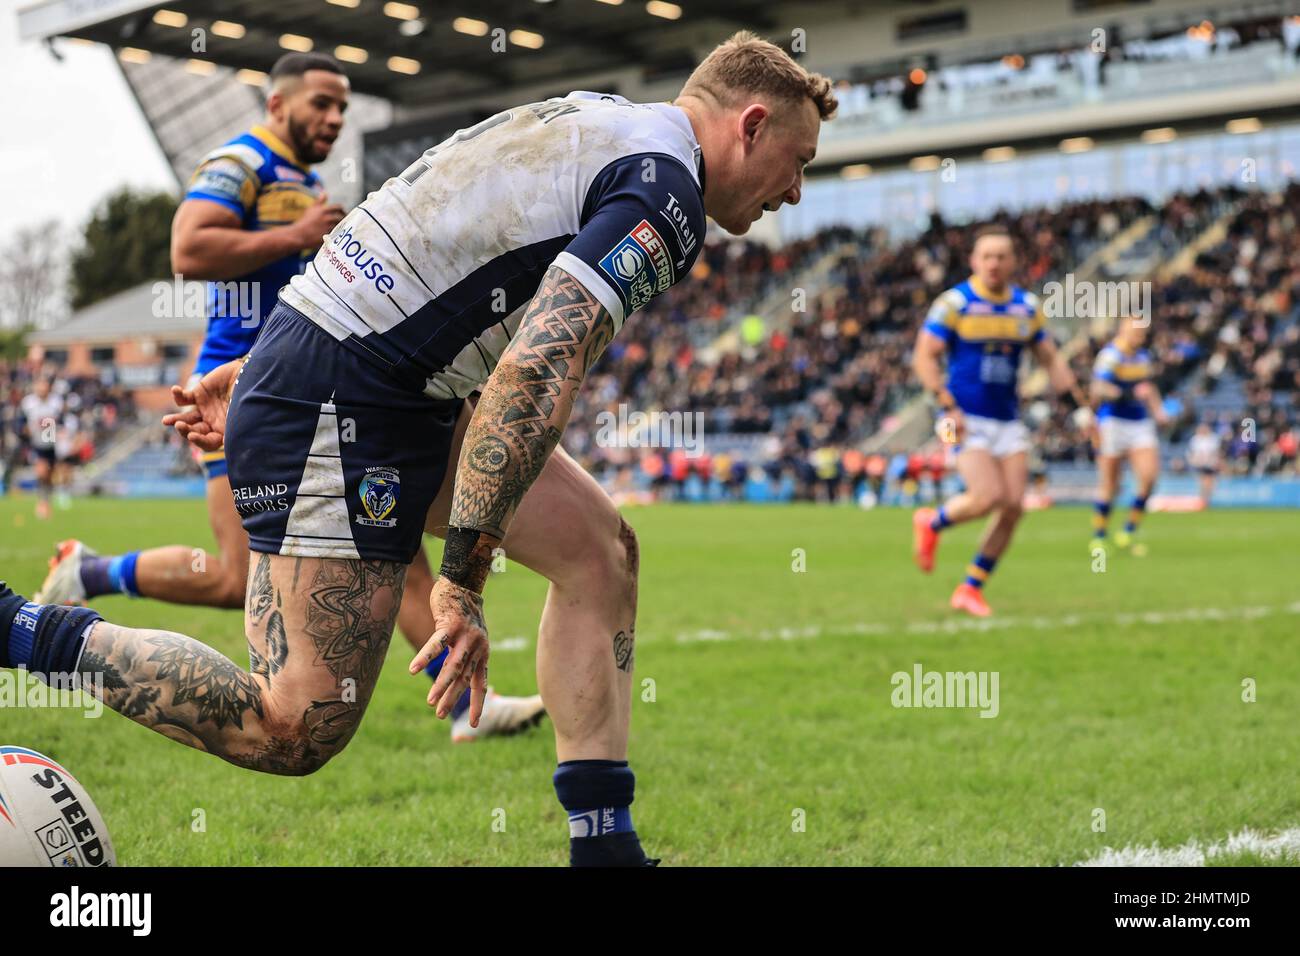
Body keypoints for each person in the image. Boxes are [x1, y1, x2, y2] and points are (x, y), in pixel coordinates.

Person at [2, 31, 835, 866]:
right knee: (291, 725)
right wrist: (463, 580)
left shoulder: (603, 122)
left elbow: (413, 222)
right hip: (342, 396)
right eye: (796, 162)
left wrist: (265, 358)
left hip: (372, 376)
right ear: (750, 124)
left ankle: (605, 851)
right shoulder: (667, 191)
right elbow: (536, 371)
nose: (794, 193)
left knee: (599, 552)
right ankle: (16, 626)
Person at [32, 52, 543, 741]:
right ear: (277, 105)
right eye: (321, 104)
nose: (335, 118)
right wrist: (297, 237)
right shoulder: (243, 163)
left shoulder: (303, 179)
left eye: (342, 107)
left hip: (322, 389)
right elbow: (188, 248)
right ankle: (87, 573)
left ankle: (462, 708)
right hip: (248, 392)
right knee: (228, 576)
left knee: (394, 552)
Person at [910, 225, 1090, 617]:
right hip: (959, 417)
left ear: (1013, 262)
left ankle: (970, 588)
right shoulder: (954, 303)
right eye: (986, 256)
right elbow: (925, 355)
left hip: (1008, 419)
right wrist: (945, 402)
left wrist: (1080, 407)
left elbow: (1051, 360)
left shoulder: (1025, 307)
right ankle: (931, 521)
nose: (993, 263)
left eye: (1001, 256)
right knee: (986, 496)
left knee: (1013, 507)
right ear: (974, 261)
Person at [1089, 317, 1167, 555]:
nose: (1141, 336)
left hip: (1139, 423)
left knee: (1149, 477)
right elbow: (1098, 388)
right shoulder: (1111, 355)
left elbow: (1148, 387)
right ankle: (1100, 536)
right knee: (1110, 483)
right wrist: (1126, 395)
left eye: (1143, 333)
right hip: (1112, 422)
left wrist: (1158, 411)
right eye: (1136, 331)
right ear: (1124, 330)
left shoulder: (1143, 357)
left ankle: (1128, 531)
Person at [20, 378, 62, 520]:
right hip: (36, 444)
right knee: (41, 472)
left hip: (50, 444)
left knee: (49, 476)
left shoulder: (56, 402)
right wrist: (25, 430)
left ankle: (46, 501)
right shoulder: (28, 403)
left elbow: (61, 419)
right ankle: (41, 503)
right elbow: (21, 423)